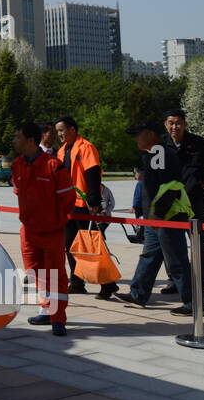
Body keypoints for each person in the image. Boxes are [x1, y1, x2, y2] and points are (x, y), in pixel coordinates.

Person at [115, 120, 194, 315]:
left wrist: (158, 213)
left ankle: (192, 302)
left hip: (166, 216)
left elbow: (171, 186)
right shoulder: (155, 153)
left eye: (138, 134)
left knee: (176, 259)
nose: (136, 139)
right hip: (156, 217)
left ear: (150, 134)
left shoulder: (160, 153)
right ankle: (138, 294)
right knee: (149, 256)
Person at [11, 121, 75, 336]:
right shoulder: (17, 164)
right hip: (28, 232)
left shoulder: (53, 165)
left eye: (18, 136)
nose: (14, 140)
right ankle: (47, 309)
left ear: (30, 140)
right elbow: (19, 193)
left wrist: (55, 220)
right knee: (36, 273)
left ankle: (58, 319)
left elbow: (68, 199)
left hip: (52, 232)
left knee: (55, 275)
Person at [162, 109, 204, 296]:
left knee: (197, 243)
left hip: (193, 199)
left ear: (185, 124)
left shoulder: (197, 143)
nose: (175, 127)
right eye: (171, 123)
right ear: (166, 124)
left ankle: (200, 282)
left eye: (178, 123)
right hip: (170, 202)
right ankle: (174, 280)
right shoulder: (161, 144)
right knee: (171, 243)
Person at [56, 115, 118, 299]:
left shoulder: (86, 147)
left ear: (72, 130)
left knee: (90, 246)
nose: (59, 134)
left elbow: (93, 174)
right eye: (58, 131)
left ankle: (108, 284)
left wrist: (94, 201)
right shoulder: (62, 151)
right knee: (70, 245)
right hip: (67, 204)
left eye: (62, 130)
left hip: (83, 204)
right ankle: (77, 282)